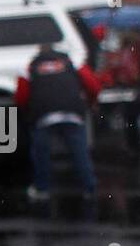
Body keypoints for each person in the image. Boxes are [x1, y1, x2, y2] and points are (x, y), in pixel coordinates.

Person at [15, 43, 102, 200]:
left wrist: (28, 112)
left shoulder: (29, 67)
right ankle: (90, 188)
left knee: (41, 155)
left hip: (44, 115)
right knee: (80, 153)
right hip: (72, 113)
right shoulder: (72, 63)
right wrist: (90, 103)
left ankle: (42, 189)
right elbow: (94, 86)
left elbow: (21, 96)